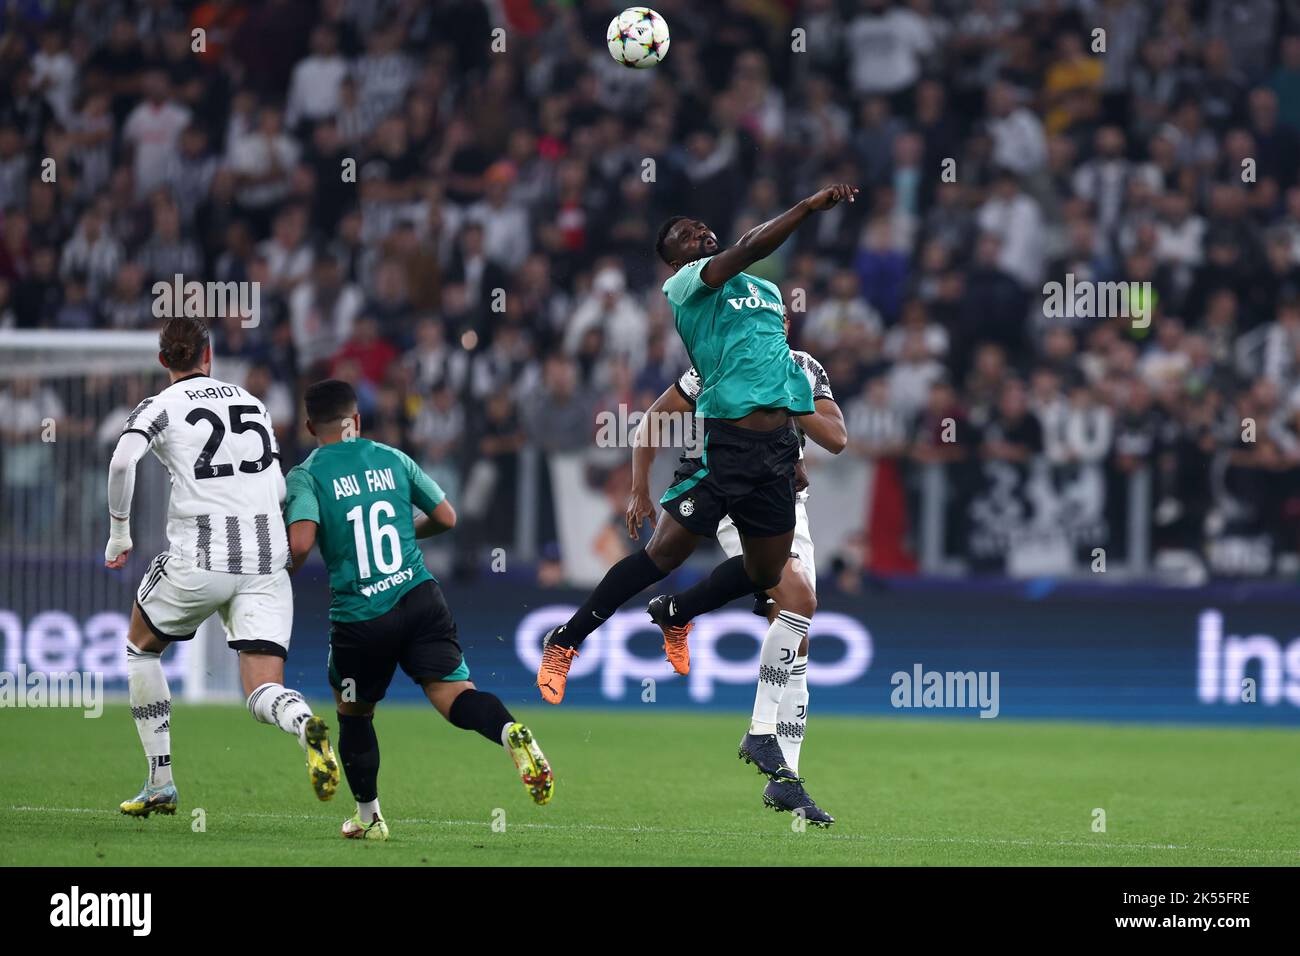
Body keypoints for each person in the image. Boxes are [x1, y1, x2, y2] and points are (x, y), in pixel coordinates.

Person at [537, 184, 857, 788]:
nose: (700, 236)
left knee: (767, 578)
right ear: (674, 261)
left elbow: (774, 361)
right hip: (723, 449)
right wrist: (808, 209)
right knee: (660, 555)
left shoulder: (765, 299)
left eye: (702, 229)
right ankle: (567, 639)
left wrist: (794, 445)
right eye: (686, 236)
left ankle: (677, 613)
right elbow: (746, 247)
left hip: (773, 458)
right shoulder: (686, 287)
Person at [284, 379, 552, 841]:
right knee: (457, 699)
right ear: (358, 420)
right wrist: (407, 536)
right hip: (420, 598)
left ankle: (369, 817)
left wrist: (276, 569)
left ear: (310, 426)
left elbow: (302, 544)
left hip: (360, 617)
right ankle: (509, 731)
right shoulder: (392, 458)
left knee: (354, 714)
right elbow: (448, 517)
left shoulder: (306, 475)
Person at [105, 316, 338, 817]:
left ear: (164, 360)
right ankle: (304, 724)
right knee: (262, 689)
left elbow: (123, 462)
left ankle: (161, 782)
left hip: (201, 558)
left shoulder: (159, 405)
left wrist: (119, 531)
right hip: (266, 559)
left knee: (141, 650)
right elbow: (277, 487)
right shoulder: (252, 402)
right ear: (208, 358)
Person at [627, 315, 846, 825]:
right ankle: (762, 733)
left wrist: (791, 398)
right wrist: (639, 483)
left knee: (798, 635)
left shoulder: (803, 368)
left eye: (775, 318)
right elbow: (657, 416)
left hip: (788, 504)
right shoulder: (716, 363)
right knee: (793, 605)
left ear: (784, 325)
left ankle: (786, 778)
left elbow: (835, 437)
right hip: (732, 502)